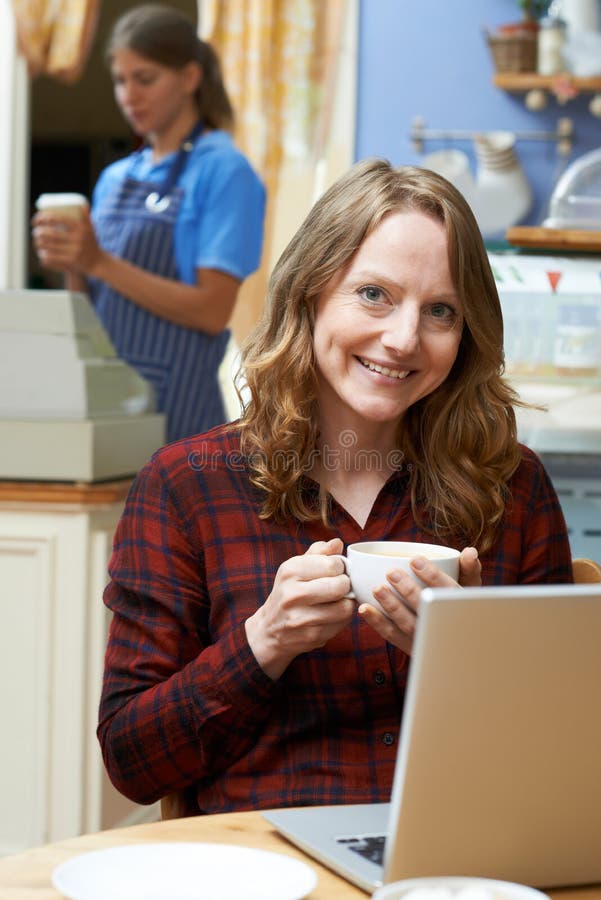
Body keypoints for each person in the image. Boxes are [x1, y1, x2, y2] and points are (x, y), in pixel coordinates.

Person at [97, 159, 572, 816]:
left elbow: (566, 748)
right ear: (308, 292)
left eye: (439, 311)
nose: (403, 338)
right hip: (259, 863)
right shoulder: (185, 486)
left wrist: (466, 660)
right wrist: (264, 640)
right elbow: (131, 762)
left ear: (465, 336)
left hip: (453, 857)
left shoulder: (514, 486)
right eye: (373, 294)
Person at [32, 4, 265, 442]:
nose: (128, 96)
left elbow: (212, 311)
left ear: (190, 78)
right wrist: (73, 263)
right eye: (120, 81)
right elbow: (91, 307)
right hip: (107, 405)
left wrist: (98, 261)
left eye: (145, 79)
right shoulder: (116, 178)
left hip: (180, 413)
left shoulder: (225, 172)